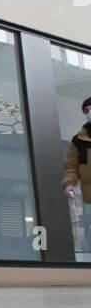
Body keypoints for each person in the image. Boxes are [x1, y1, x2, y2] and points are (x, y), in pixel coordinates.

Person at [63, 96, 91, 252]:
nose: (90, 112)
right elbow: (71, 166)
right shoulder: (78, 140)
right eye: (86, 110)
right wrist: (69, 184)